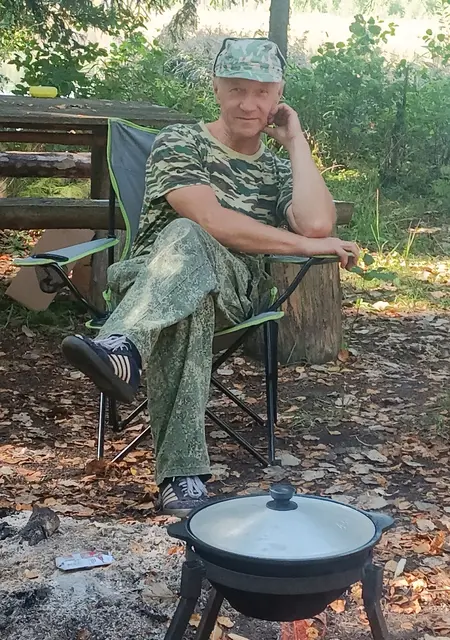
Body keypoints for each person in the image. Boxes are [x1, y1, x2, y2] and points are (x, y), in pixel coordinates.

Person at [62, 37, 359, 517]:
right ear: (217, 88)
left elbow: (318, 223)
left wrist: (296, 142)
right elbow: (209, 219)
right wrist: (306, 247)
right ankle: (181, 479)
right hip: (150, 278)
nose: (248, 104)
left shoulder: (278, 169)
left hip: (233, 290)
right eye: (236, 89)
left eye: (262, 92)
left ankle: (124, 347)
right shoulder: (181, 141)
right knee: (189, 244)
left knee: (195, 264)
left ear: (279, 96)